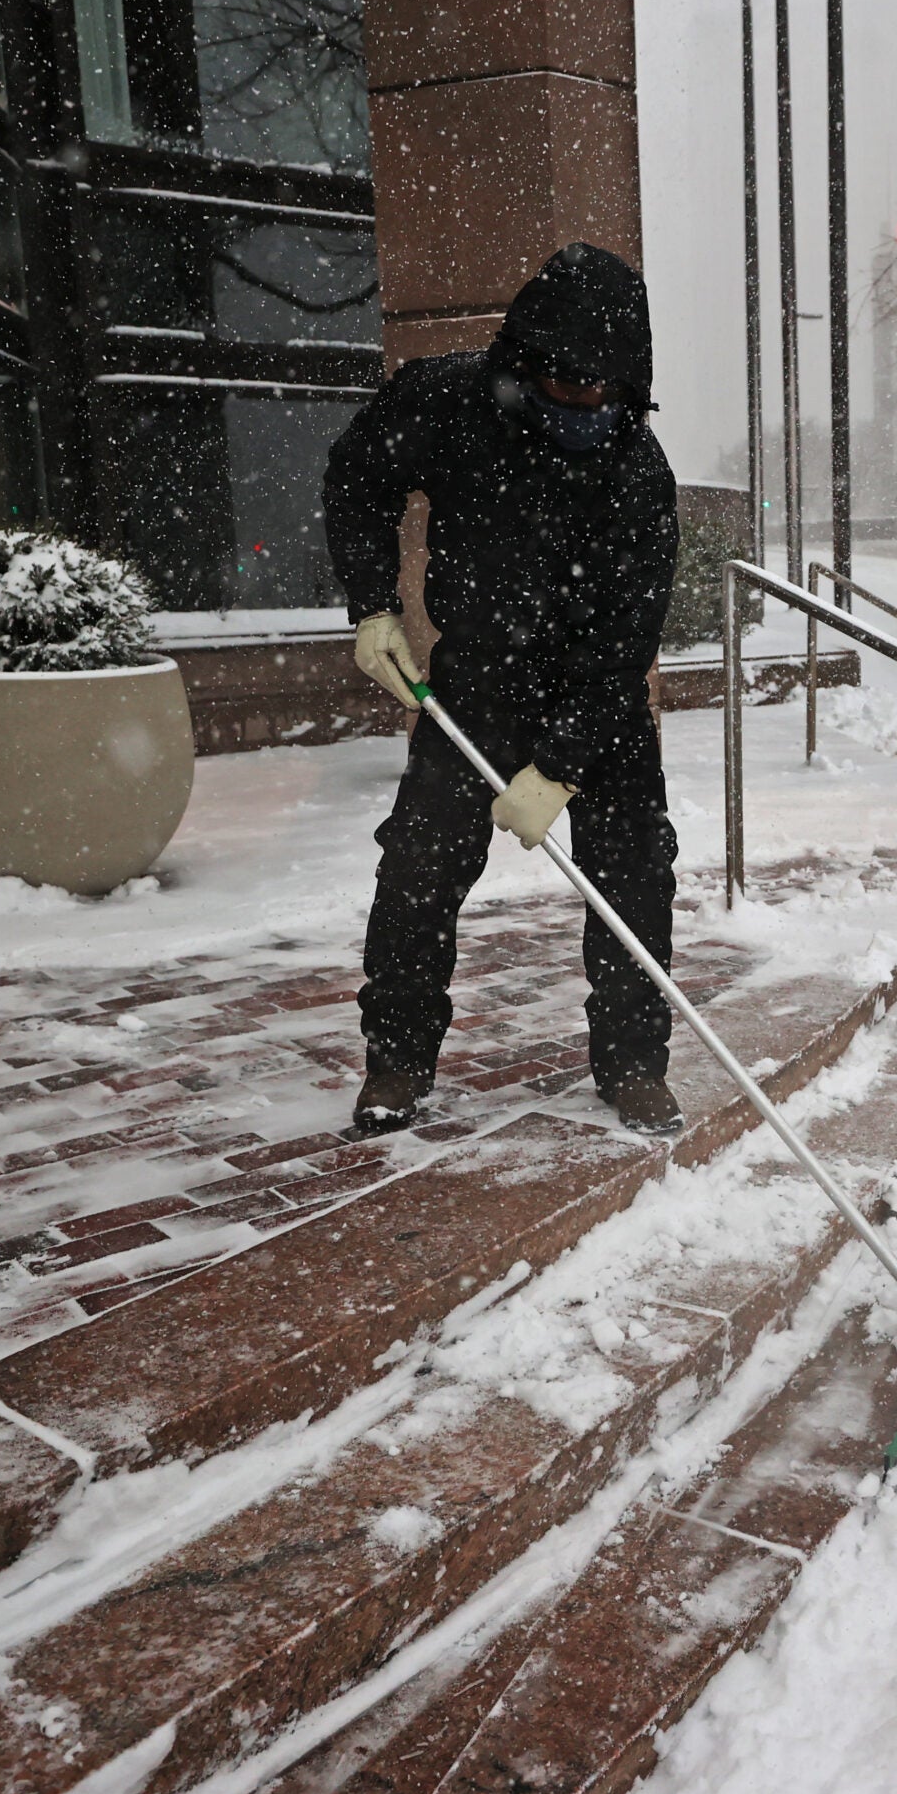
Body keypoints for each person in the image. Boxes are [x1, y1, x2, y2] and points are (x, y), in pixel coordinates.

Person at [325, 243, 684, 1137]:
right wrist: (373, 607)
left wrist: (559, 768)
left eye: (596, 390)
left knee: (634, 879)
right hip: (477, 686)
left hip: (597, 708)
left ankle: (635, 1064)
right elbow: (358, 477)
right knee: (416, 871)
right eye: (560, 383)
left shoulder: (639, 475)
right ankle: (398, 1061)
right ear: (524, 362)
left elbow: (624, 645)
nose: (575, 403)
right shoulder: (452, 404)